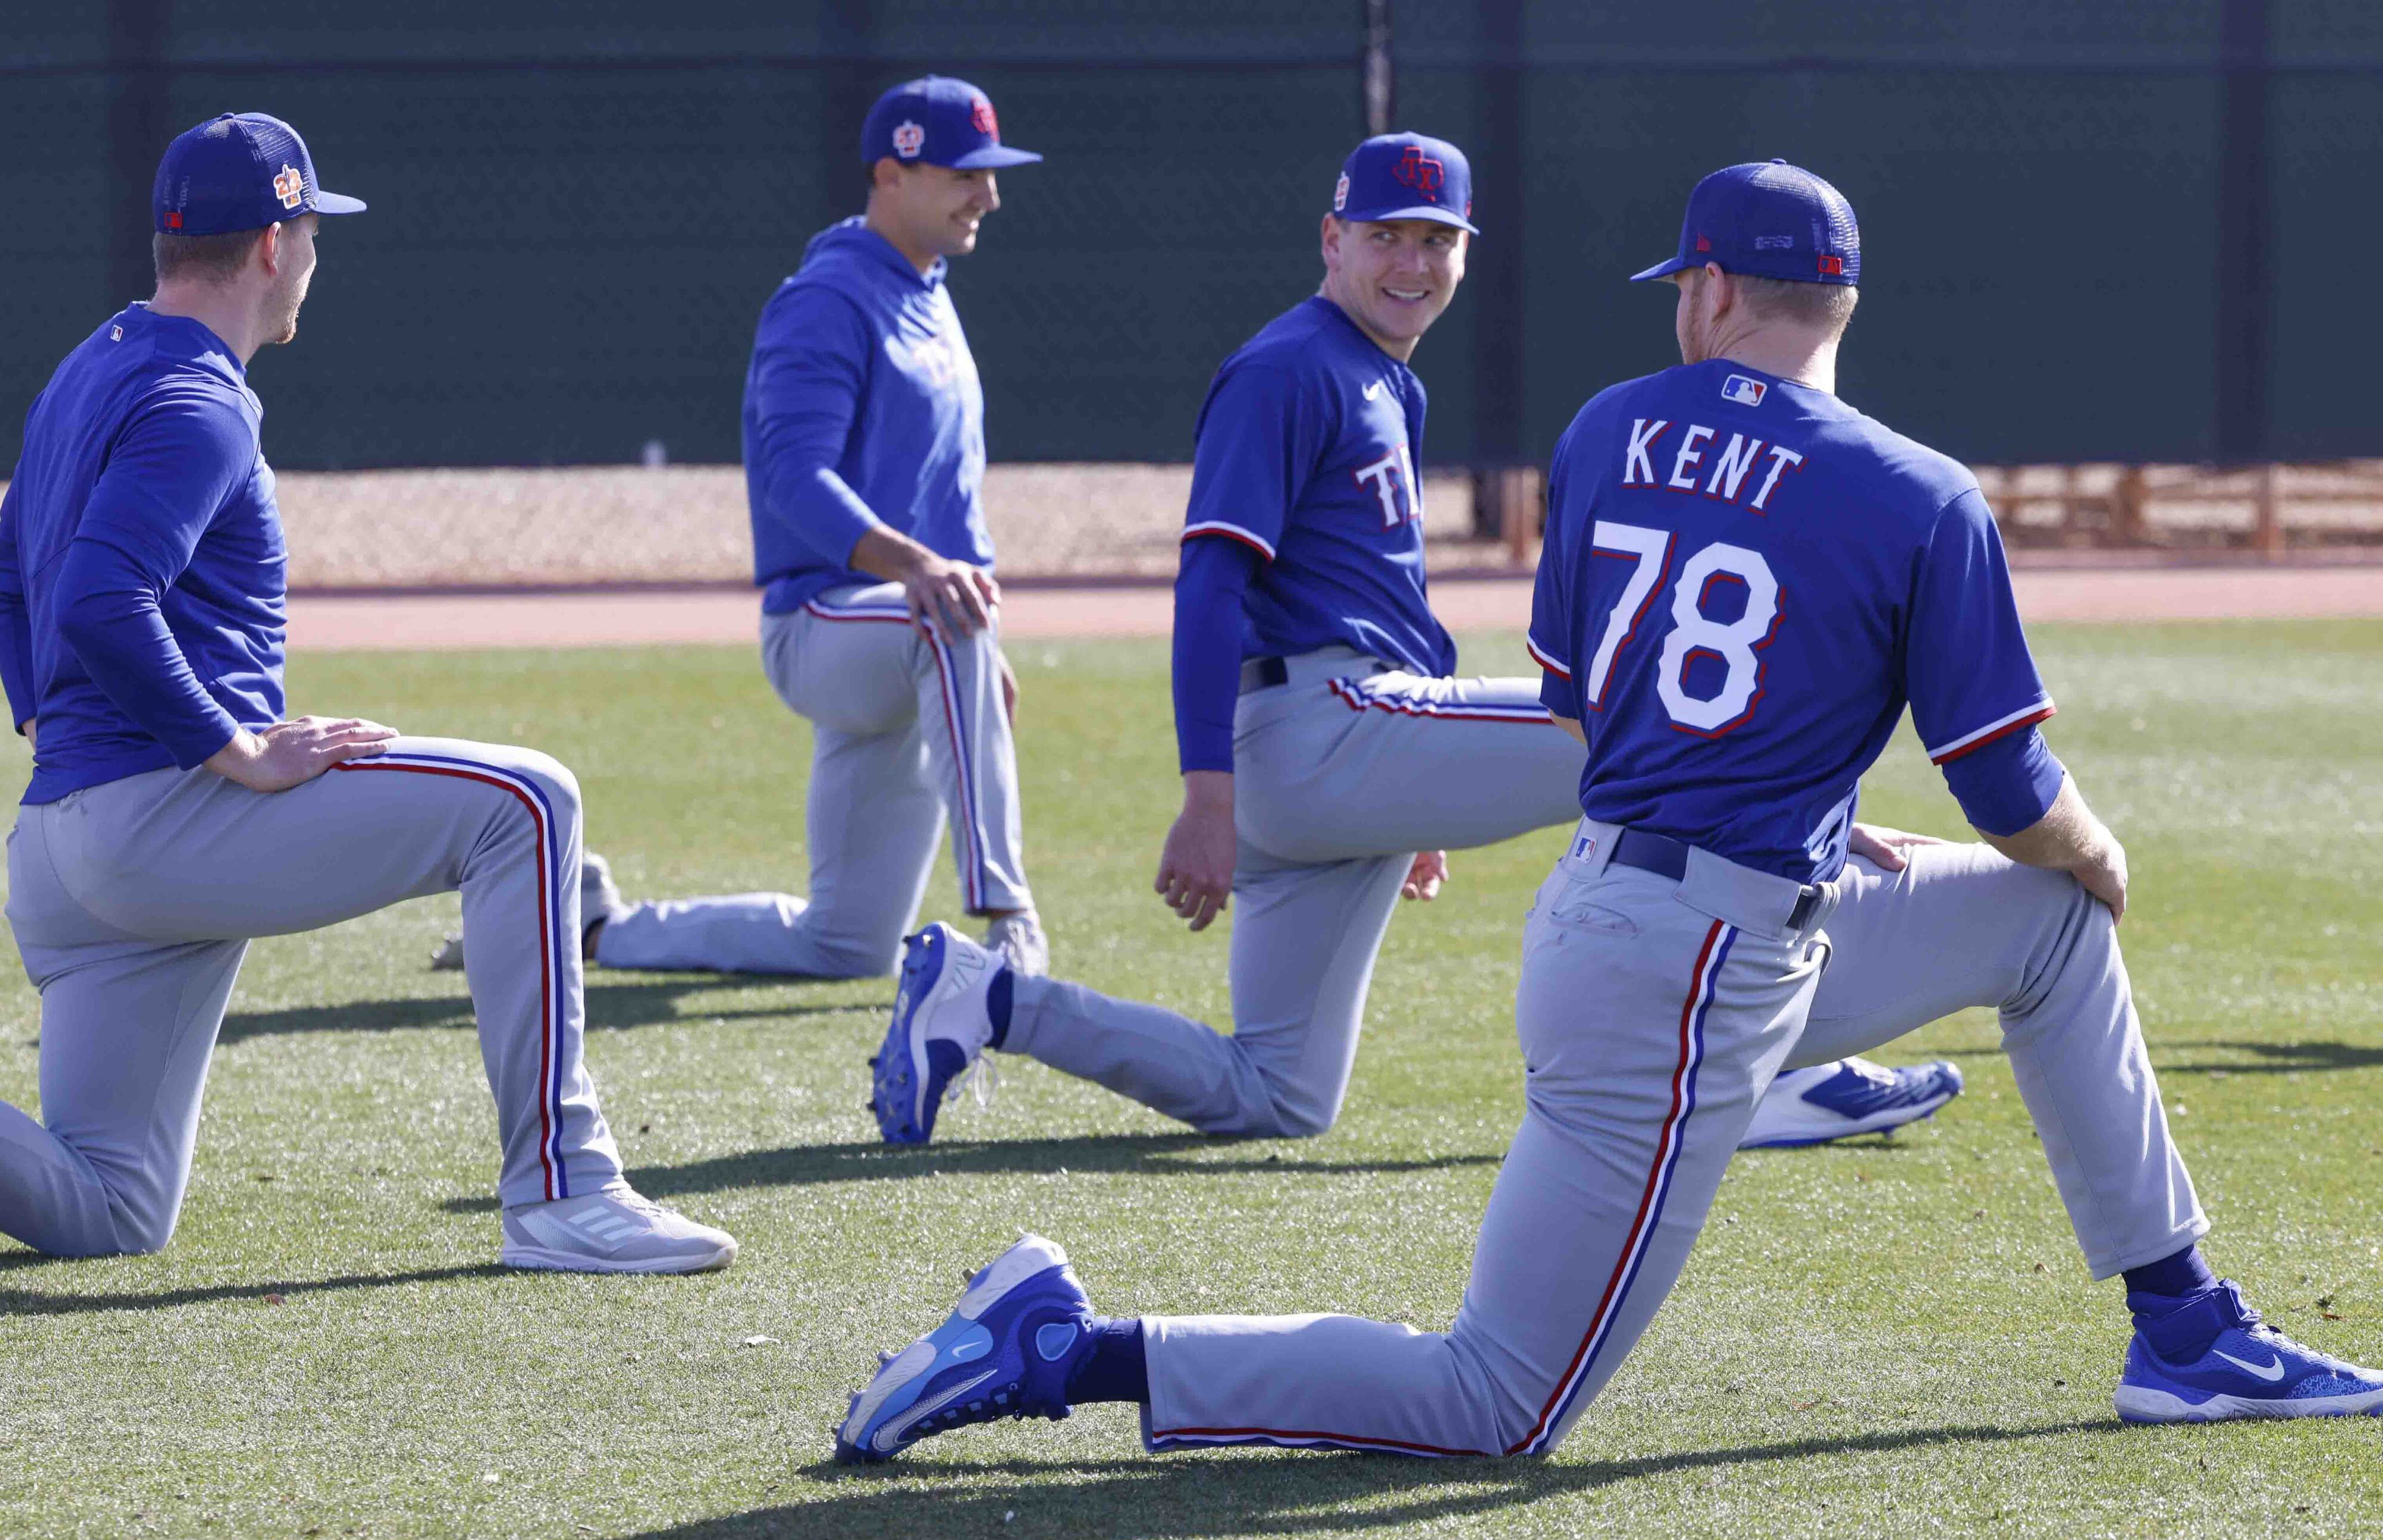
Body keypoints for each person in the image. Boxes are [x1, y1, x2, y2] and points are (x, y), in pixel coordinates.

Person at [833, 159, 2383, 1462]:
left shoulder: (1604, 431)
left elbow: (1593, 705)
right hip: (1686, 968)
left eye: (1684, 283)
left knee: (2047, 934)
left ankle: (2187, 1324)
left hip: (1656, 910)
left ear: (1715, 291)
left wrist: (1833, 813)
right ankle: (1069, 1345)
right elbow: (2007, 786)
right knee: (1495, 1397)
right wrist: (2092, 837)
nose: (1678, 304)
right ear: (1842, 301)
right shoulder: (1921, 488)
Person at [866, 133, 1958, 1153]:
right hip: (1313, 731)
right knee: (1639, 737)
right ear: (1331, 241)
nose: (1412, 260)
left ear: (1466, 253)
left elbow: (1380, 593)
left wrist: (1425, 790)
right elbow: (1210, 583)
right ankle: (1767, 1072)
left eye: (1437, 239)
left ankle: (987, 996)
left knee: (1279, 1091)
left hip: (1352, 753)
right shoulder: (1289, 366)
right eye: (1385, 234)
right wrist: (1208, 790)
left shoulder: (1382, 372)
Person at [0, 113, 734, 1274]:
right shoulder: (198, 398)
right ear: (273, 246)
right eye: (310, 231)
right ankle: (562, 1192)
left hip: (60, 848)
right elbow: (98, 598)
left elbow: (14, 555)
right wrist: (235, 748)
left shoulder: (95, 361)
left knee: (110, 1209)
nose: (314, 258)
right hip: (153, 826)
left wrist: (38, 709)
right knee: (527, 802)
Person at [429, 76, 1050, 980]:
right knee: (945, 621)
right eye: (964, 172)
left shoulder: (931, 292)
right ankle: (1011, 917)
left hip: (907, 641)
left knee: (845, 945)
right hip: (823, 630)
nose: (987, 194)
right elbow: (796, 479)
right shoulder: (825, 299)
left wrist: (972, 632)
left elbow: (954, 494)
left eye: (992, 174)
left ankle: (596, 926)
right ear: (891, 173)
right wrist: (930, 581)